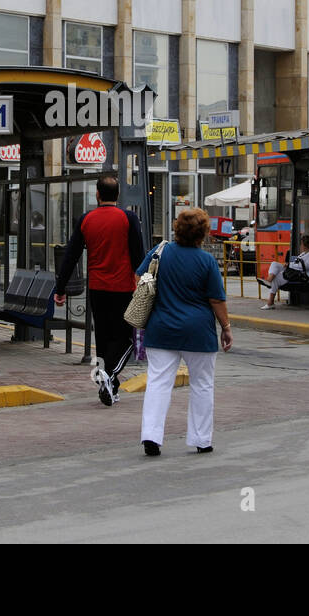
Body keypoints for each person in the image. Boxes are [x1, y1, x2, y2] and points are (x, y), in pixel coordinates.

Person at [137, 207, 233, 456]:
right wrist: (226, 328)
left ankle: (151, 436)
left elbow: (139, 280)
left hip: (161, 329)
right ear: (203, 234)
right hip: (198, 332)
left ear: (176, 228)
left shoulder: (160, 253)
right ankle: (202, 440)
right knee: (202, 384)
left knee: (158, 382)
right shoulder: (206, 261)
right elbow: (216, 300)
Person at [54, 174, 146, 406]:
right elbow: (139, 257)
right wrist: (145, 286)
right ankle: (110, 375)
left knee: (103, 339)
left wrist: (60, 287)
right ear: (118, 195)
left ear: (97, 194)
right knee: (126, 339)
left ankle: (110, 389)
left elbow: (71, 255)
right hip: (124, 288)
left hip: (97, 289)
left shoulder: (86, 220)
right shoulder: (129, 219)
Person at [260, 234, 309, 309]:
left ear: (306, 245)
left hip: (302, 276)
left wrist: (289, 265)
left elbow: (304, 267)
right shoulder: (303, 254)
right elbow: (296, 263)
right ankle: (269, 280)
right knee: (274, 264)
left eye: (301, 244)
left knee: (276, 279)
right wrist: (289, 264)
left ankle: (270, 301)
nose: (300, 246)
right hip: (294, 272)